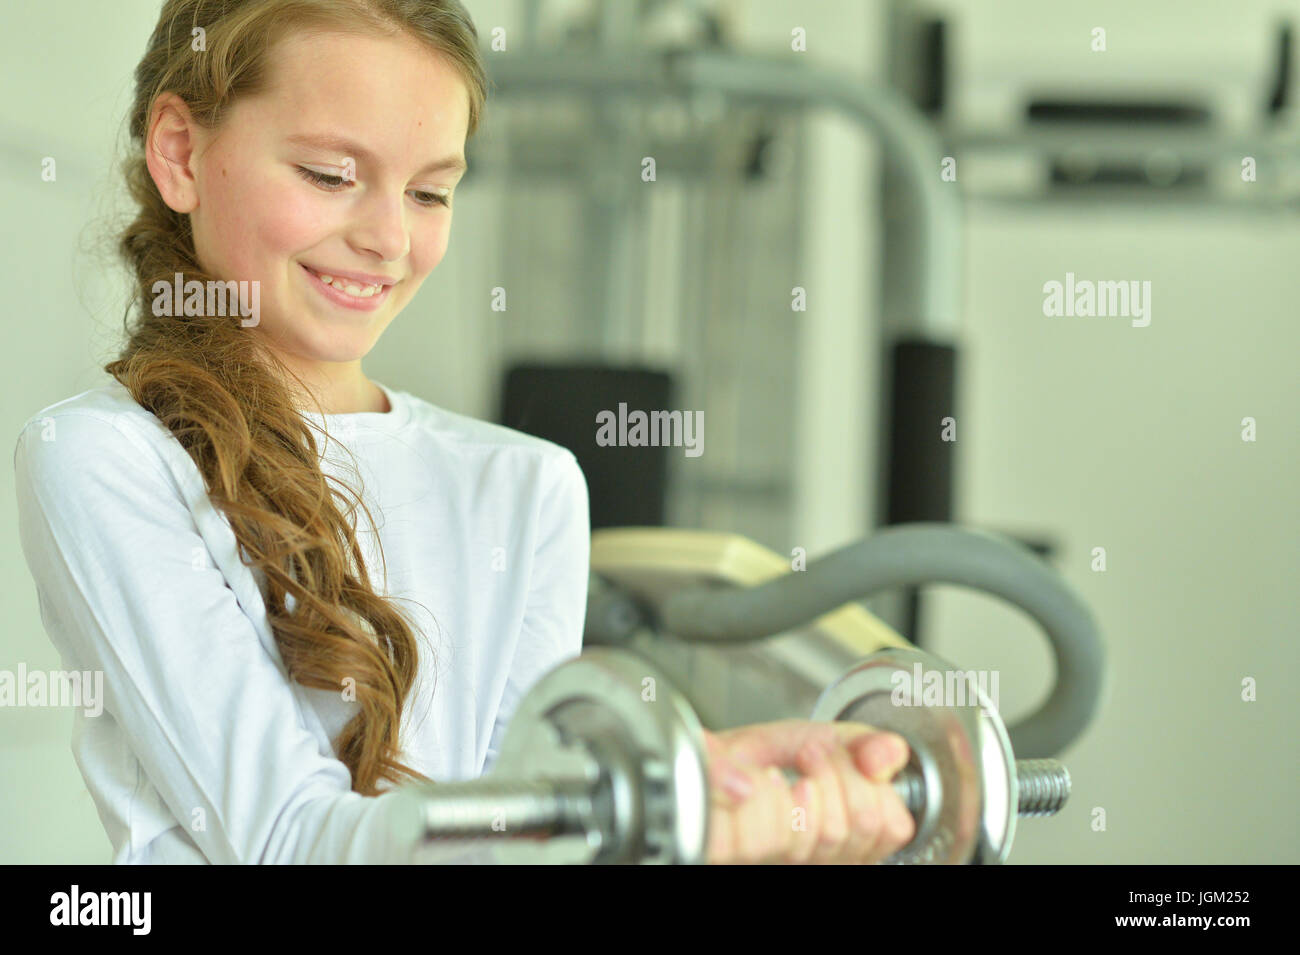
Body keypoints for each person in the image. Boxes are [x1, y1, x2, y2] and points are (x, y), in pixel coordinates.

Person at [13, 0, 914, 864]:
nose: (387, 237)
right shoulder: (107, 458)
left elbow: (525, 846)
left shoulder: (529, 484)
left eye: (432, 192)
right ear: (181, 153)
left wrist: (688, 801)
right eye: (330, 175)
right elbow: (289, 843)